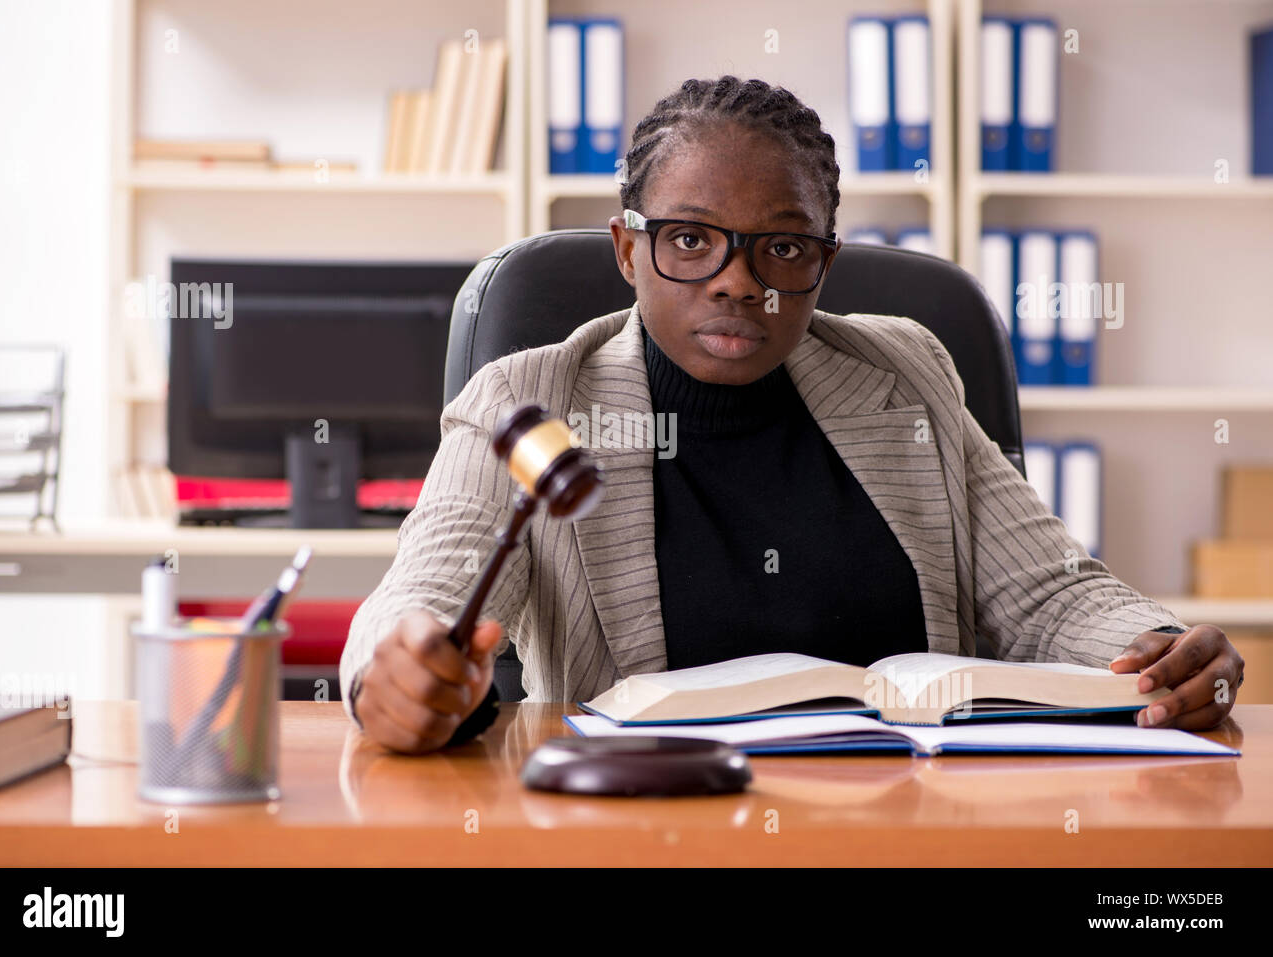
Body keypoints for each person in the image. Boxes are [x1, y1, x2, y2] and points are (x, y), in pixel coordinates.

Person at [340, 76, 1244, 754]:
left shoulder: (906, 370)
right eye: (689, 239)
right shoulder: (528, 401)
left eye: (781, 246)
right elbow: (424, 593)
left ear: (824, 259)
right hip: (650, 827)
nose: (738, 279)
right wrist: (398, 664)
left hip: (918, 824)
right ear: (627, 249)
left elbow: (1044, 590)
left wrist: (1153, 648)